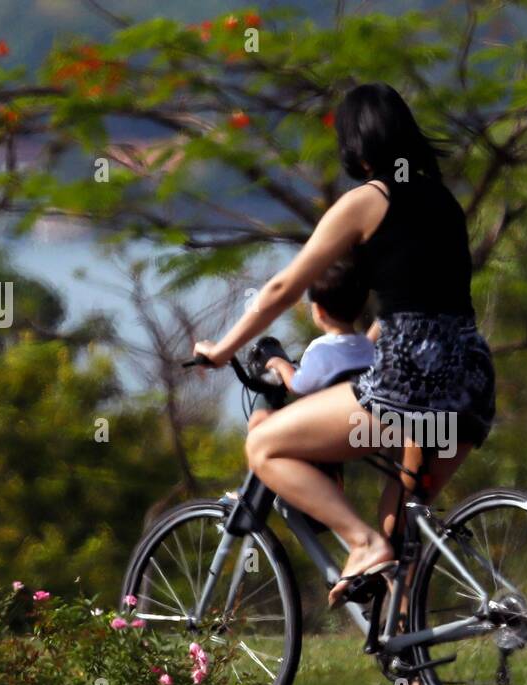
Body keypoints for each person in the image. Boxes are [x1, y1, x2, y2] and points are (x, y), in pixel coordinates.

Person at [192, 82, 495, 609]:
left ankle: (361, 542)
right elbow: (423, 305)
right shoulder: (444, 201)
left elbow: (284, 288)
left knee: (263, 446)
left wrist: (222, 349)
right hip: (470, 382)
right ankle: (411, 684)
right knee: (404, 525)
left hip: (409, 388)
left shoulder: (366, 201)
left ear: (356, 147)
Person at [247, 255, 375, 431]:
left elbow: (298, 386)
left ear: (319, 311)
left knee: (259, 419)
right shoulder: (368, 345)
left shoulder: (320, 349)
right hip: (367, 423)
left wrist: (279, 363)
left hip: (333, 424)